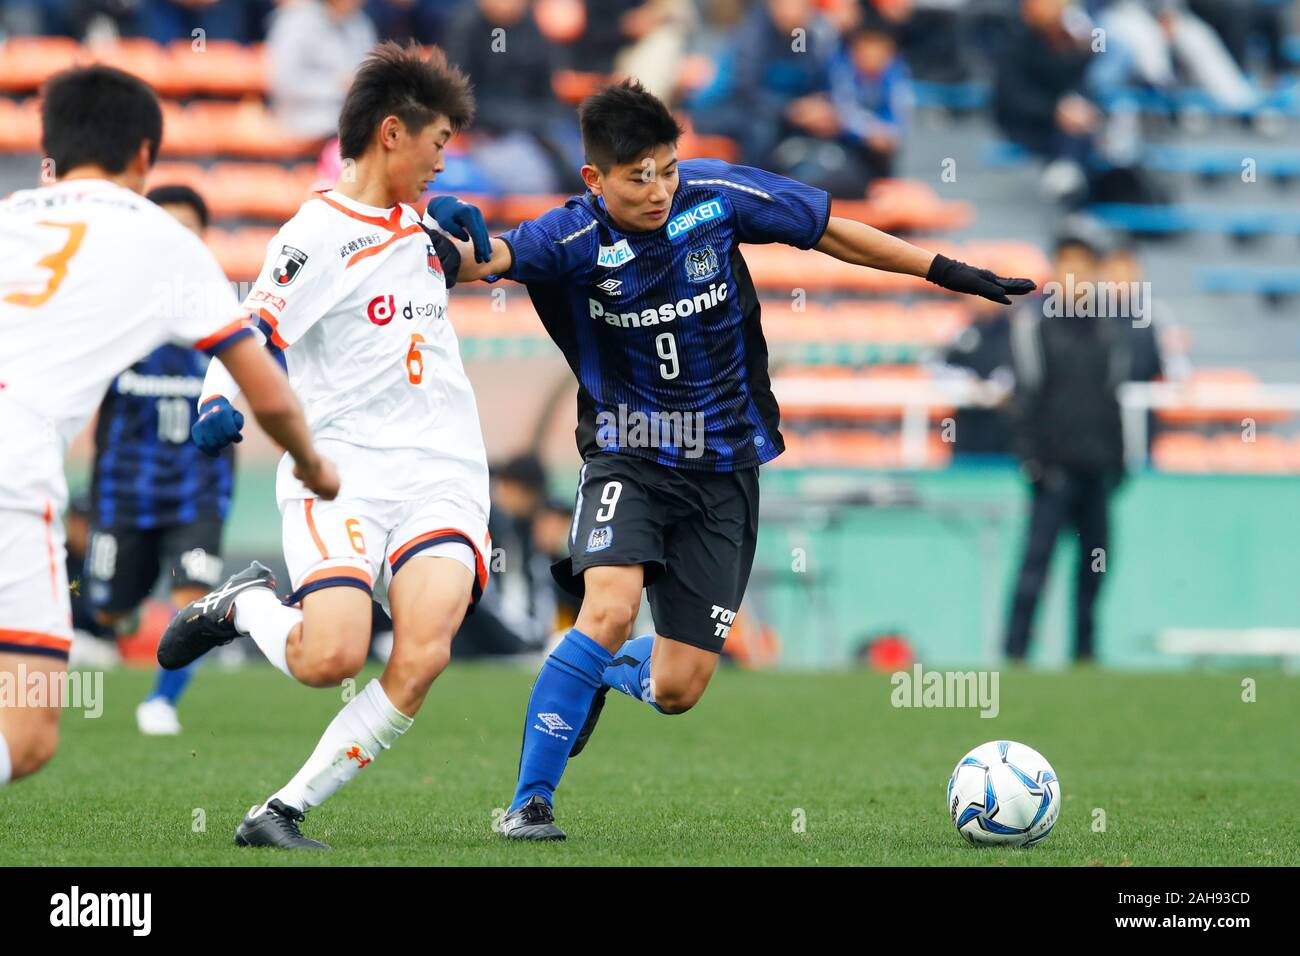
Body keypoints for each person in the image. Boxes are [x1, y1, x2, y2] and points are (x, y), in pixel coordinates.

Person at [430, 78, 1036, 839]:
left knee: (679, 688)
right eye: (636, 176)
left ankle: (592, 675)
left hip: (726, 468)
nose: (657, 190)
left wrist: (944, 271)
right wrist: (449, 242)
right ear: (595, 179)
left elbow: (833, 231)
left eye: (666, 169)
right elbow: (488, 257)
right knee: (609, 609)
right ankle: (529, 802)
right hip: (630, 457)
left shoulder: (716, 196)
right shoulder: (571, 237)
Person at [158, 42, 493, 850]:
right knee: (329, 658)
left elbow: (476, 257)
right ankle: (244, 604)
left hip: (443, 476)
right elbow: (253, 327)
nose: (446, 164)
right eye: (439, 144)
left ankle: (280, 810)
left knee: (423, 653)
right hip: (341, 474)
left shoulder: (422, 226)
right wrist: (216, 398)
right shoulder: (315, 235)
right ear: (391, 134)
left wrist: (476, 248)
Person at [0, 64, 334, 789]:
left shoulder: (7, 214)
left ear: (48, 150)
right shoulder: (162, 239)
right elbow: (266, 392)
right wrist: (314, 463)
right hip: (13, 473)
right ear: (146, 157)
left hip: (142, 488)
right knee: (23, 735)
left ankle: (149, 686)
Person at [79, 184, 235, 736]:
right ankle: (110, 625)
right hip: (124, 492)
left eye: (187, 229)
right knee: (109, 611)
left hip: (198, 489)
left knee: (192, 600)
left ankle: (161, 702)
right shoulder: (111, 315)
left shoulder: (226, 315)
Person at [1003, 234, 1128, 664]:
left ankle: (1085, 653)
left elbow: (1114, 397)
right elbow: (1026, 396)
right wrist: (1033, 459)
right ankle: (1016, 652)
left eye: (1084, 267)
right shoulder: (1034, 324)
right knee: (1036, 564)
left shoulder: (1107, 328)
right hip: (1052, 469)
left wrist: (1118, 461)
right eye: (1067, 266)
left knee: (1094, 566)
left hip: (1096, 469)